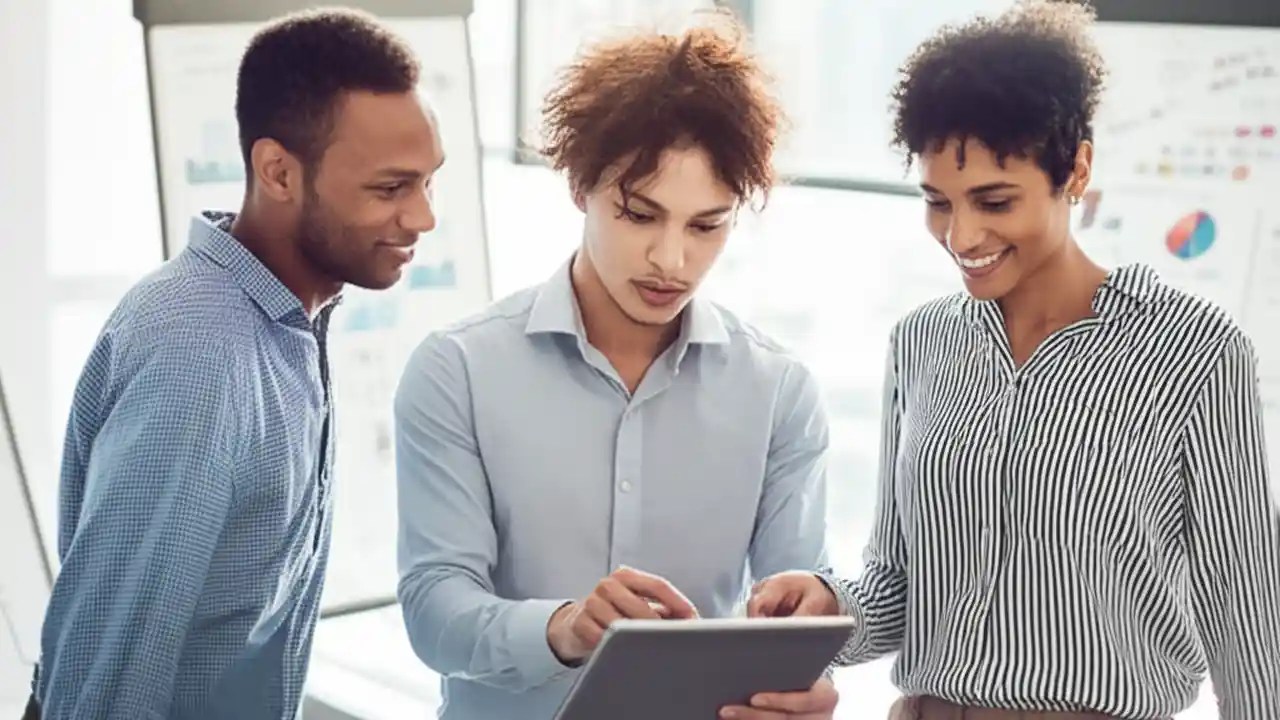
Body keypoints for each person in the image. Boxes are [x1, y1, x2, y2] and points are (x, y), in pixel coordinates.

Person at [743, 1, 1280, 719]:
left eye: (995, 201)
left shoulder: (1195, 352)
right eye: (938, 202)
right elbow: (897, 584)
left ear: (1076, 168)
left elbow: (1244, 614)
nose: (961, 235)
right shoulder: (921, 343)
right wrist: (831, 606)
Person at [393, 13, 838, 720]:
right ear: (580, 186)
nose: (672, 259)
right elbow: (433, 612)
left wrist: (797, 688)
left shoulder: (779, 393)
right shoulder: (458, 371)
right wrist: (563, 627)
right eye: (638, 214)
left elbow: (793, 614)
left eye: (706, 225)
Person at [30, 9, 444, 719]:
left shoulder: (285, 323)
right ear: (278, 172)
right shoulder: (200, 354)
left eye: (428, 182)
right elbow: (111, 672)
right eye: (390, 189)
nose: (423, 218)